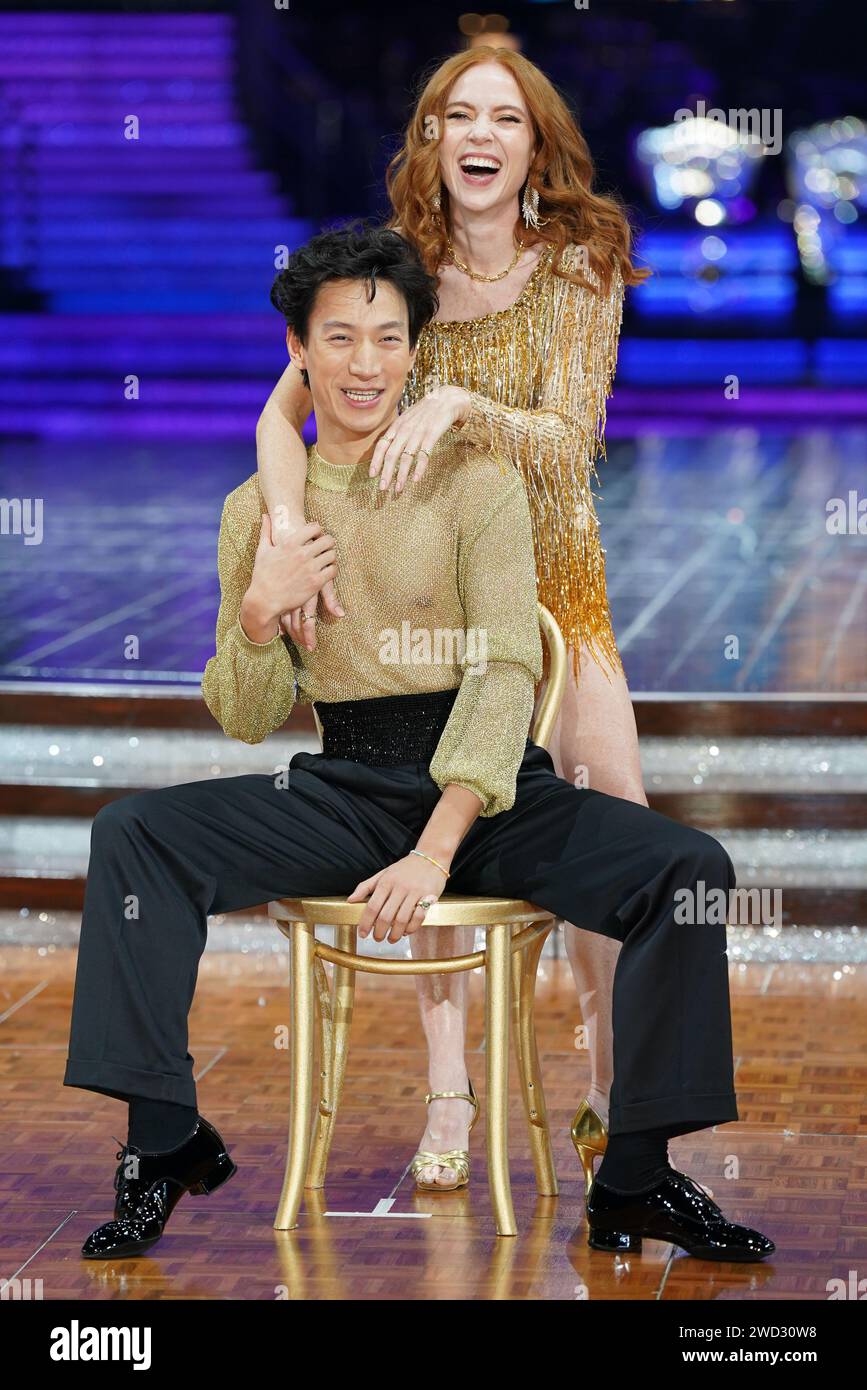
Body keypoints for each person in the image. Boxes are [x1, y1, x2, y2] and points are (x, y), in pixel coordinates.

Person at [63, 225, 774, 1263]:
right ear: (299, 352)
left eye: (388, 339)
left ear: (412, 350)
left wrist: (436, 848)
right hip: (343, 786)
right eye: (340, 338)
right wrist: (260, 615)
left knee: (688, 869)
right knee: (133, 834)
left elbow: (504, 673)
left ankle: (636, 1176)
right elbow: (246, 713)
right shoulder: (260, 510)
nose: (365, 363)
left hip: (489, 798)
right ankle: (162, 1140)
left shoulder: (473, 482)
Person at [254, 47, 649, 1193]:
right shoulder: (398, 271)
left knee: (617, 816)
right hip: (424, 587)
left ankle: (613, 1079)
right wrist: (286, 529)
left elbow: (570, 443)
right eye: (455, 114)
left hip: (554, 583)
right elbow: (280, 418)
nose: (479, 133)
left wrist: (466, 404)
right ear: (432, 138)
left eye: (504, 118)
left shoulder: (580, 264)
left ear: (534, 148)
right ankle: (450, 1090)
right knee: (426, 818)